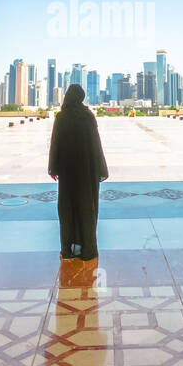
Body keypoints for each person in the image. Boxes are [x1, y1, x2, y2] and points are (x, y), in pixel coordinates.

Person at [47, 83, 109, 260]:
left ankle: (68, 249)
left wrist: (53, 167)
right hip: (86, 171)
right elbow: (96, 144)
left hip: (67, 171)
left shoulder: (62, 117)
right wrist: (99, 169)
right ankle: (87, 249)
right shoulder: (88, 116)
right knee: (86, 208)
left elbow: (55, 143)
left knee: (68, 209)